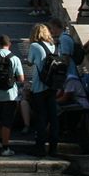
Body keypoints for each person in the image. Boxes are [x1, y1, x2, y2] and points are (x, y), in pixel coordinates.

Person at [0, 34, 25, 157]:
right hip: (10, 95)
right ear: (10, 44)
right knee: (7, 122)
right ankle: (5, 147)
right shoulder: (15, 59)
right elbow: (21, 78)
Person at [27, 23, 59, 157]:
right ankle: (53, 148)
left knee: (41, 117)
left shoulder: (34, 46)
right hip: (51, 86)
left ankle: (40, 147)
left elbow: (30, 61)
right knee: (53, 118)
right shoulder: (52, 46)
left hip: (39, 86)